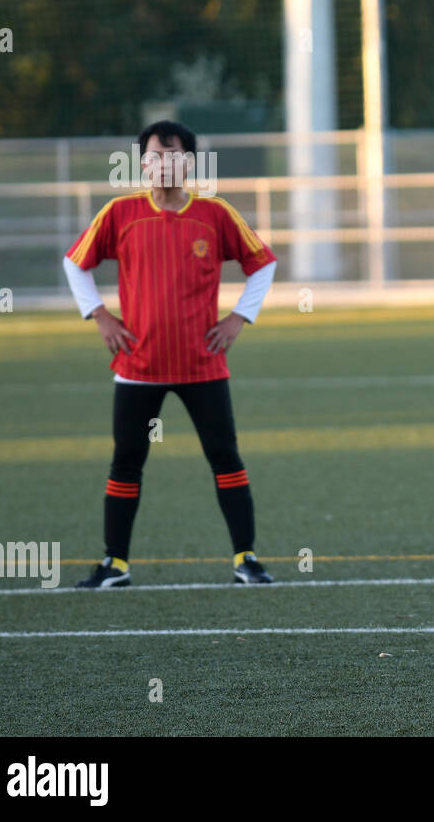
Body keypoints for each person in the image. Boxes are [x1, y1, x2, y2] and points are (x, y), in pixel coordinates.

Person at [62, 120, 279, 587]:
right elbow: (74, 262)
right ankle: (114, 564)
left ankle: (247, 559)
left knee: (225, 457)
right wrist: (98, 314)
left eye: (174, 155)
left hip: (202, 365)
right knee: (126, 461)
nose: (164, 165)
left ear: (189, 162)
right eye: (155, 157)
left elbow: (262, 263)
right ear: (142, 164)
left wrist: (239, 317)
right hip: (138, 367)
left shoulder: (215, 214)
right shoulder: (120, 213)